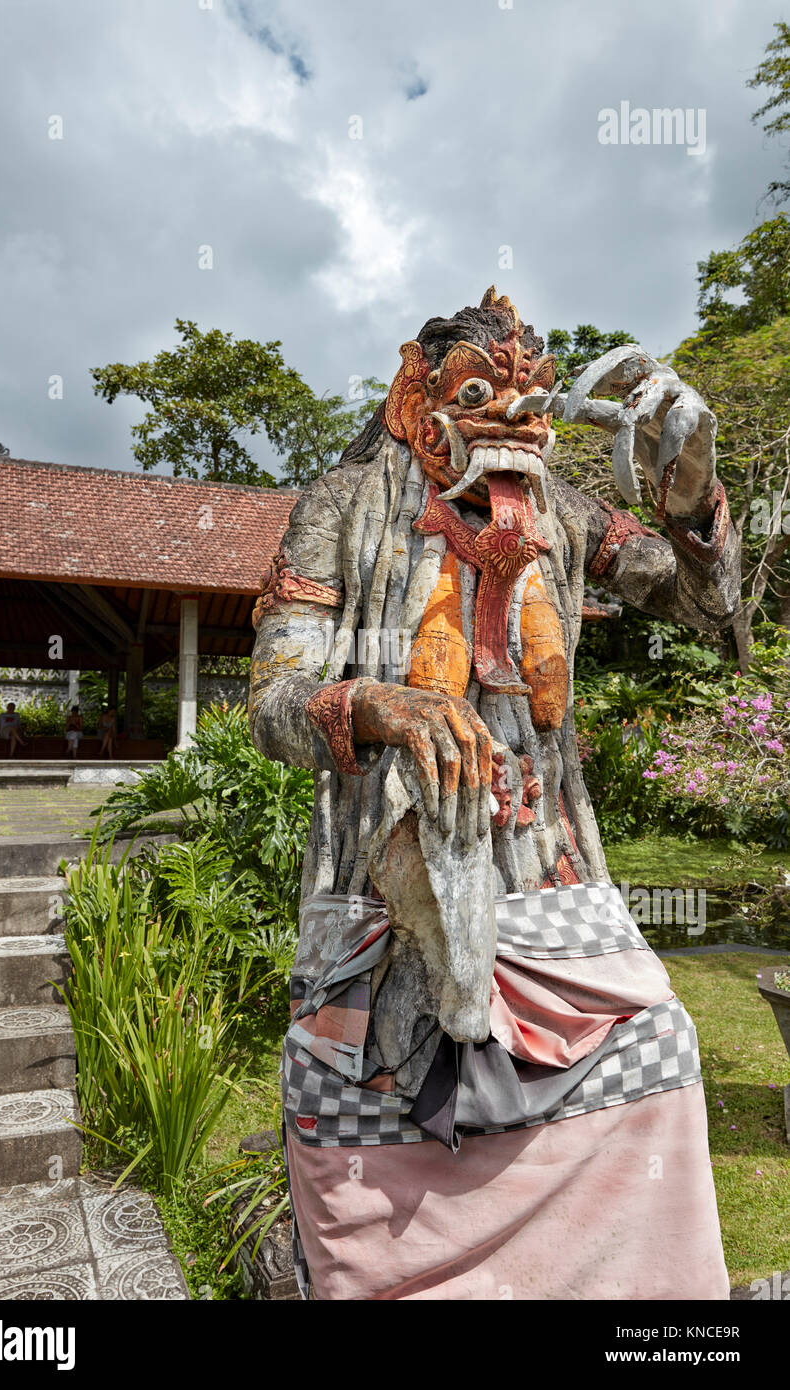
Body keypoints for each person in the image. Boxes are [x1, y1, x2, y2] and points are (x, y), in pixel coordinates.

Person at [248, 289, 740, 1301]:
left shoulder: (556, 506)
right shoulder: (342, 506)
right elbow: (271, 704)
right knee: (364, 1121)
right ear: (413, 407)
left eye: (531, 403)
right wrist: (378, 705)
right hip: (385, 896)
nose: (515, 422)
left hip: (547, 878)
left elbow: (705, 612)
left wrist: (691, 503)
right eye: (480, 396)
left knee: (655, 1053)